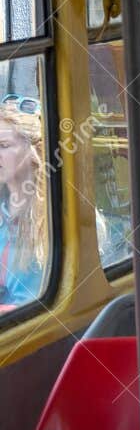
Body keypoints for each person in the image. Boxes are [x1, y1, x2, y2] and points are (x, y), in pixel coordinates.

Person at [0, 101, 47, 308]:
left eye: (3, 145)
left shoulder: (47, 220)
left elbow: (30, 311)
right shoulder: (5, 210)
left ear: (33, 150)